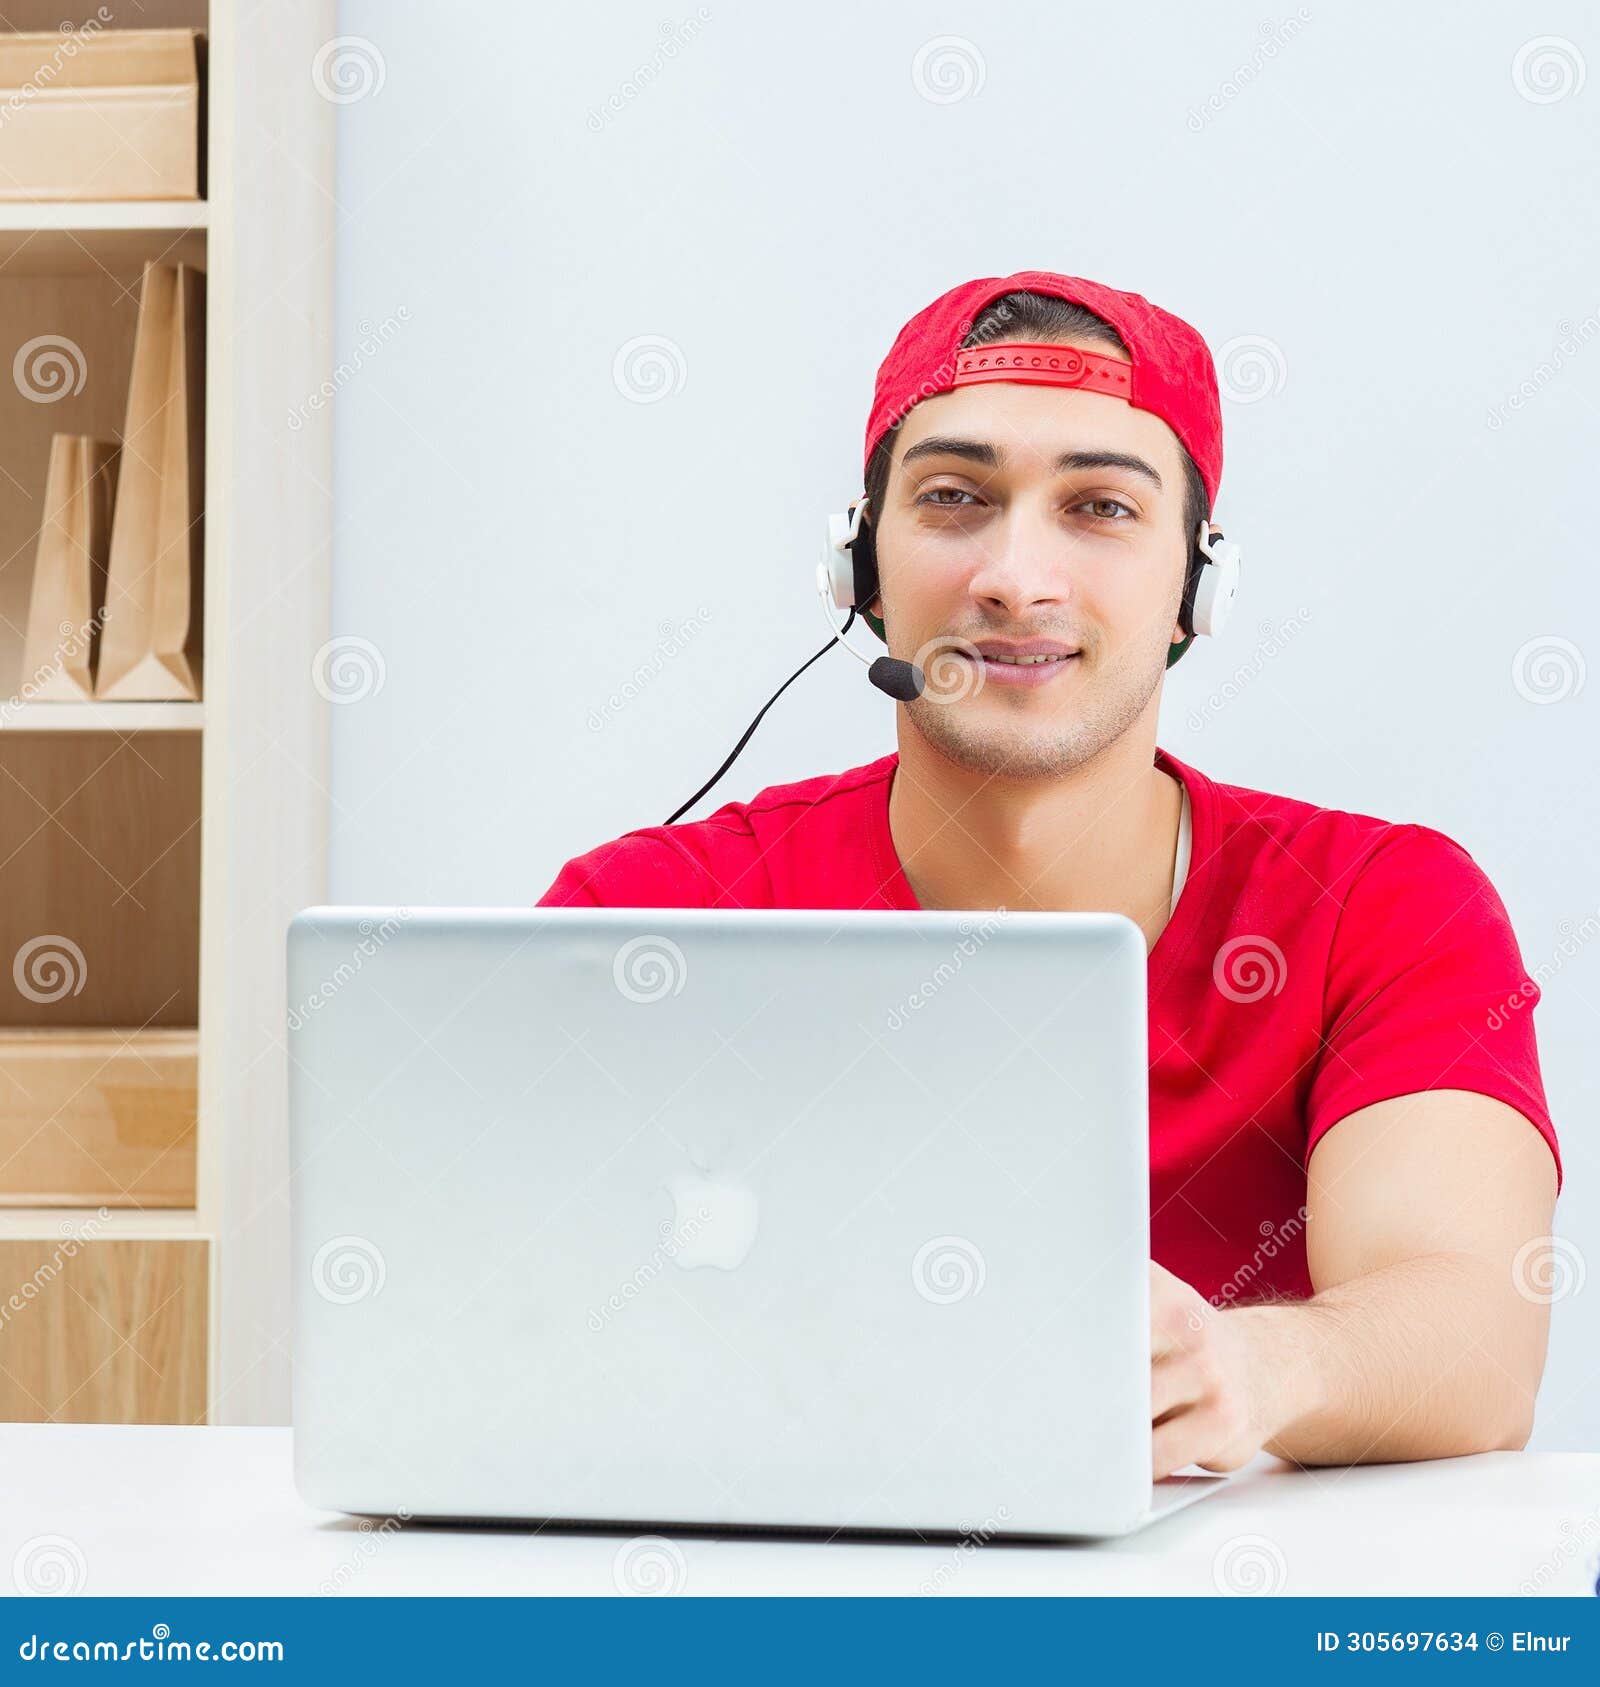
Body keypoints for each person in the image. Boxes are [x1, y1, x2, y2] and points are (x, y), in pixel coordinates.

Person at [538, 270, 1562, 1479]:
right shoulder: (647, 918)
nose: (1015, 579)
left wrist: (1256, 1369)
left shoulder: (1379, 906)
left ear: (1196, 590)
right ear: (859, 571)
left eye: (1100, 508)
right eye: (953, 498)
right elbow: (502, 1316)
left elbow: (1472, 1338)